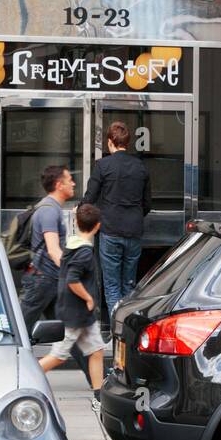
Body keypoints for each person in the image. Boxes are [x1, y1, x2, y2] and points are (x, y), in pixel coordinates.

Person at [82, 120, 151, 323]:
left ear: (110, 141)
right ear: (127, 143)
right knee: (128, 284)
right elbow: (147, 203)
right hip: (134, 231)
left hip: (111, 230)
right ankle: (127, 328)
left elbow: (90, 198)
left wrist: (81, 209)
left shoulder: (103, 165)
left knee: (112, 286)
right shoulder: (141, 167)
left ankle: (117, 330)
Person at [38, 204, 104, 412]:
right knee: (59, 355)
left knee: (97, 350)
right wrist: (88, 298)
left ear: (76, 223)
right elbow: (73, 280)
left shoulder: (72, 246)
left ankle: (99, 396)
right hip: (75, 313)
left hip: (80, 314)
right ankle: (24, 379)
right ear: (98, 226)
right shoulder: (83, 253)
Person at [20, 164, 75, 331]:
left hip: (48, 279)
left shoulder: (51, 208)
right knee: (20, 331)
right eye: (70, 180)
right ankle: (2, 355)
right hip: (42, 280)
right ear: (59, 185)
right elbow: (53, 250)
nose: (73, 184)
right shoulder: (49, 211)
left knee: (65, 331)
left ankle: (85, 358)